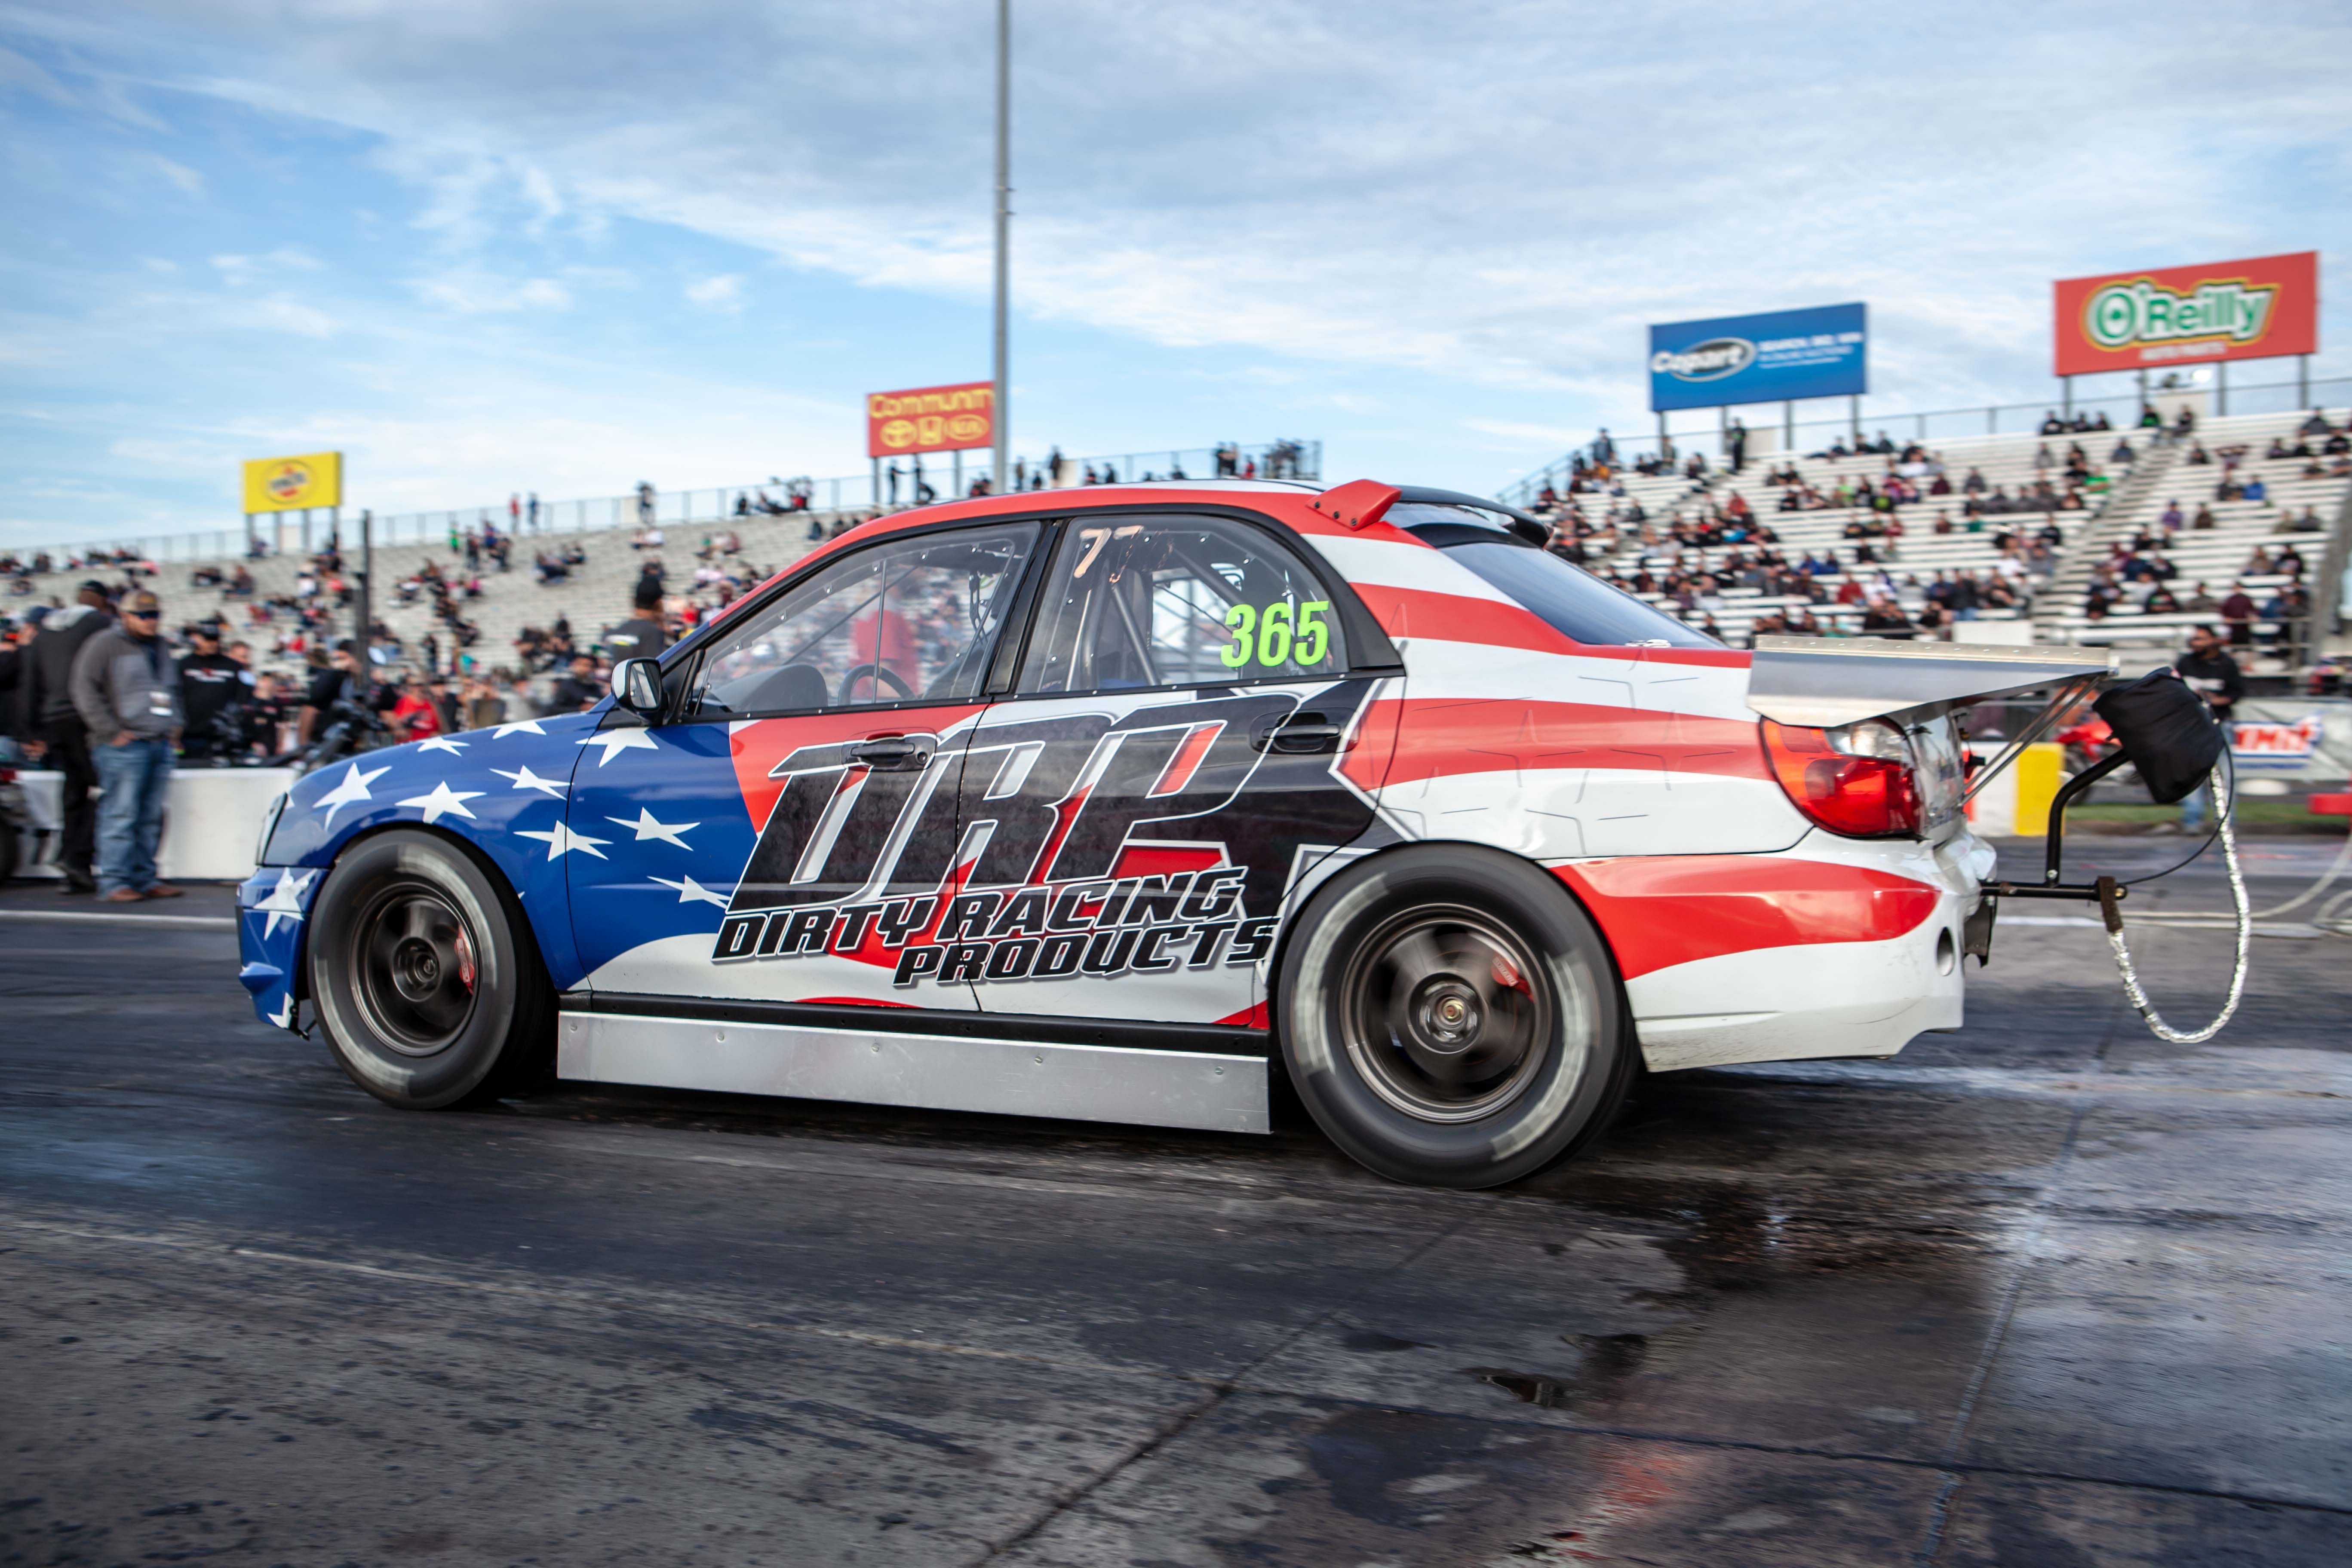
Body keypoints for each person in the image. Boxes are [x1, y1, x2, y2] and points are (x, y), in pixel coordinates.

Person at [68, 589, 181, 901]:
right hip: (124, 745)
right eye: (144, 616)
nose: (151, 621)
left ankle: (145, 878)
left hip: (158, 741)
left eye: (155, 615)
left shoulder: (160, 646)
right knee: (121, 814)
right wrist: (110, 731)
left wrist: (175, 724)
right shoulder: (104, 644)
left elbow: (170, 688)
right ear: (126, 616)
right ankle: (115, 882)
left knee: (151, 817)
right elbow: (83, 688)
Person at [15, 581, 116, 893]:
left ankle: (74, 868)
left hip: (54, 719)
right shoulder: (101, 624)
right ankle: (74, 856)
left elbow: (30, 678)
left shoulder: (46, 627)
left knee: (74, 791)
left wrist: (31, 729)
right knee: (108, 788)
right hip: (87, 718)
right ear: (102, 602)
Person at [2172, 626, 2245, 833]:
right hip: (2190, 726)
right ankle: (2192, 821)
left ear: (2214, 640)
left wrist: (2216, 700)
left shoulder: (2226, 663)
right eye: (2194, 639)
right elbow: (2174, 688)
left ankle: (2226, 822)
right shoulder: (2185, 662)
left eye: (2201, 639)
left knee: (2224, 776)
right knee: (2190, 775)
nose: (2196, 643)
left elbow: (2237, 692)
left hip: (2218, 724)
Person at [175, 621, 246, 763]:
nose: (212, 643)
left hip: (224, 738)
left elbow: (243, 700)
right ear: (196, 638)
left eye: (215, 639)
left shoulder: (234, 667)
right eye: (208, 639)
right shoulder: (183, 665)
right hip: (190, 736)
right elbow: (176, 698)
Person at [604, 580, 669, 663]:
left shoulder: (615, 631)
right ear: (658, 603)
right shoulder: (653, 633)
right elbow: (655, 669)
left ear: (634, 601)